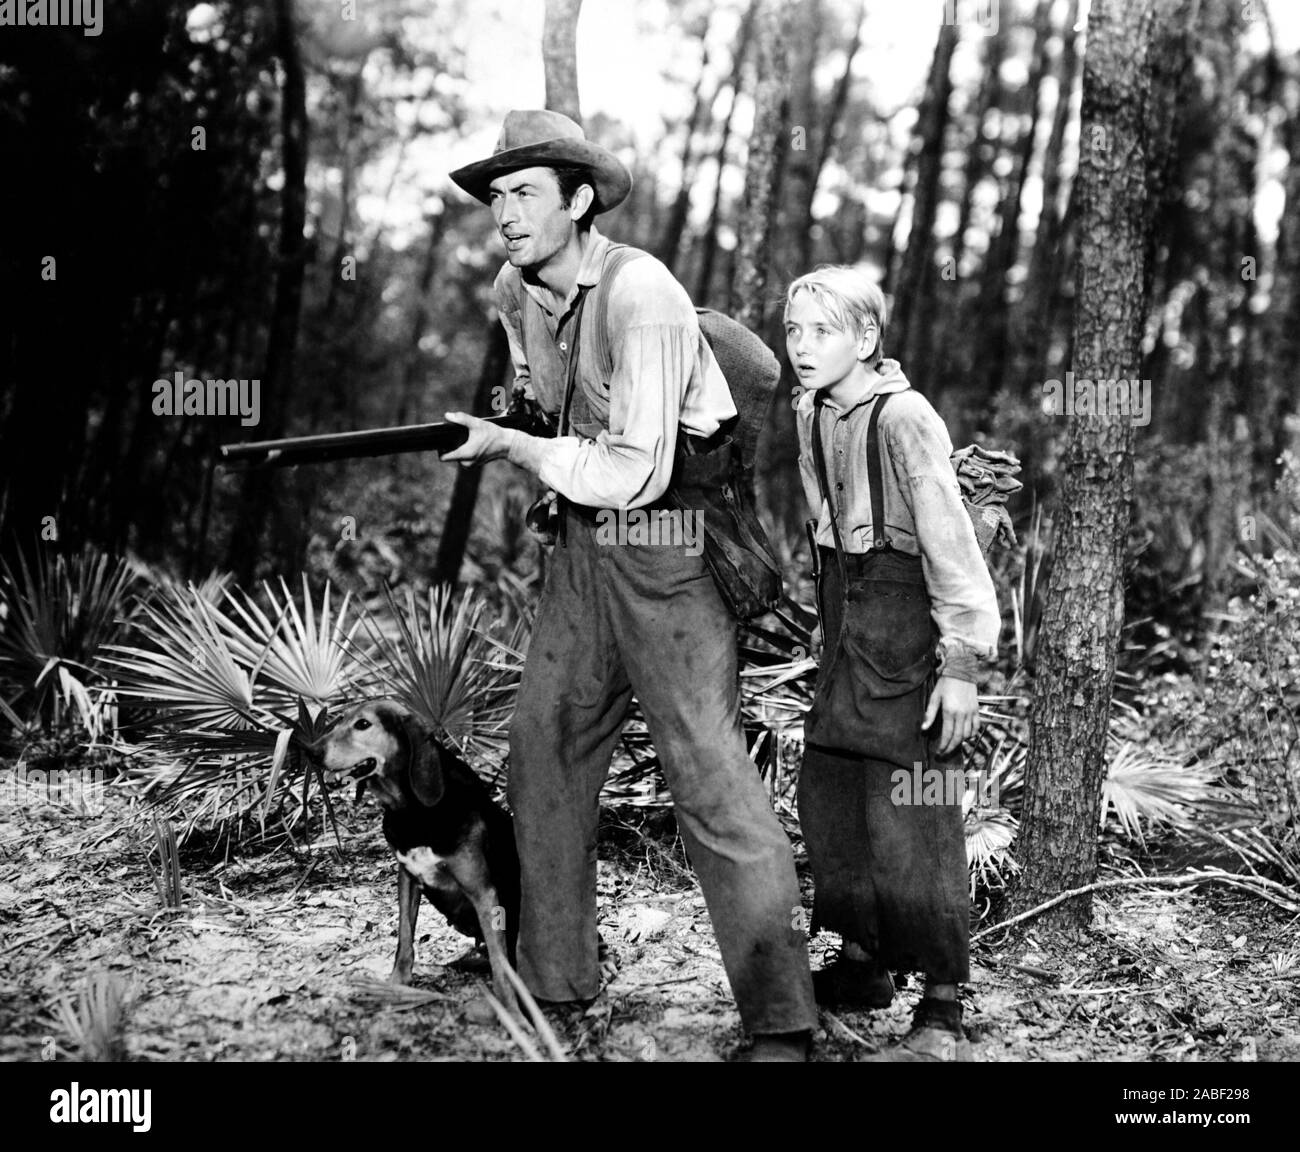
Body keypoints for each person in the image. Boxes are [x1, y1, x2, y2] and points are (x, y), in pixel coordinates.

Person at [442, 110, 817, 1060]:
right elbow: (540, 399)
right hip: (581, 546)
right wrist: (515, 421)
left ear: (578, 200)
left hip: (667, 541)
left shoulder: (643, 292)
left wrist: (518, 446)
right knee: (545, 741)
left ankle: (782, 1021)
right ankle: (555, 981)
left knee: (708, 771)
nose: (506, 215)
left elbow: (635, 471)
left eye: (525, 193)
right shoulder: (513, 288)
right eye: (496, 198)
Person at [784, 265, 1000, 1062]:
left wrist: (964, 663)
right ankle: (864, 961)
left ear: (867, 339)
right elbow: (821, 530)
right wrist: (825, 629)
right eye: (794, 332)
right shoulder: (808, 412)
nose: (803, 349)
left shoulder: (906, 418)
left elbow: (951, 541)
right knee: (832, 798)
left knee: (916, 811)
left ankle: (942, 1002)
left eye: (823, 332)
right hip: (847, 625)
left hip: (911, 622)